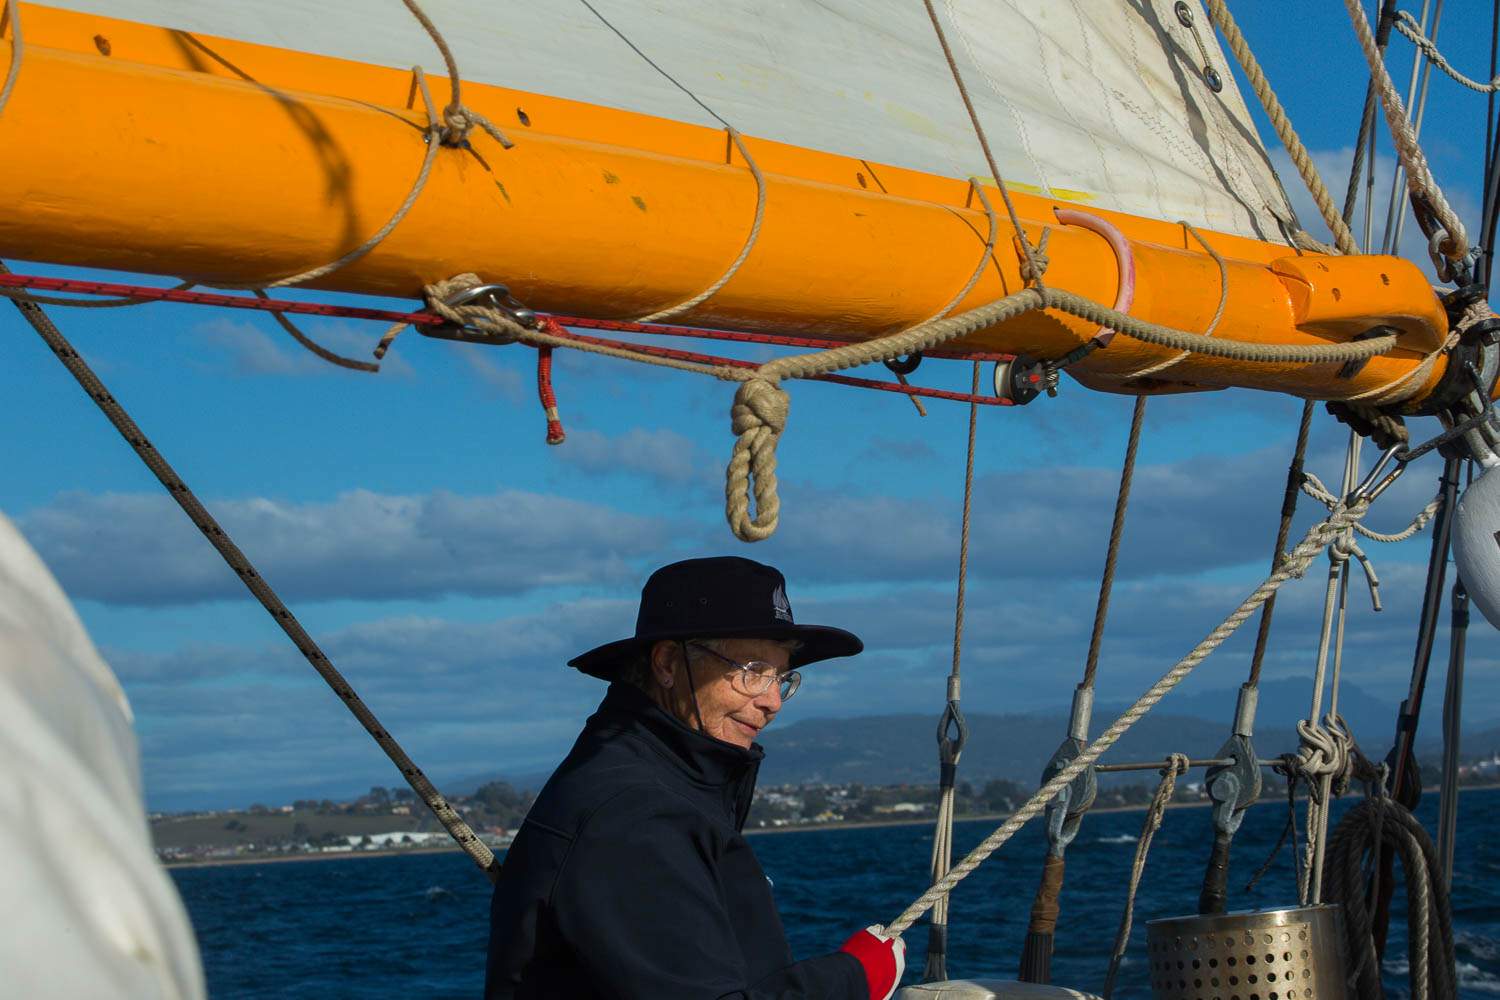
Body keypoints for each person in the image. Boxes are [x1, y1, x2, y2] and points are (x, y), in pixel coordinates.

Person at [485, 556, 906, 999]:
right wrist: (853, 978)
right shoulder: (633, 813)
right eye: (752, 672)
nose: (772, 702)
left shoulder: (658, 785)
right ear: (667, 663)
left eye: (780, 677)